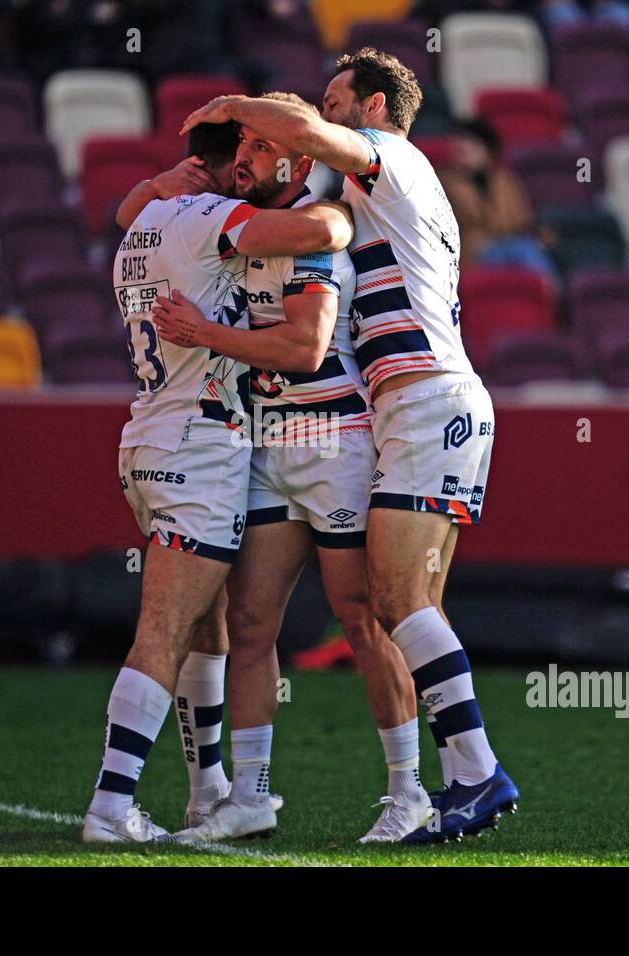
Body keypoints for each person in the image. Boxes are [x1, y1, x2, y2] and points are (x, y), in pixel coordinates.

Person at [181, 48, 520, 843]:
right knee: (399, 602)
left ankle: (467, 774)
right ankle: (452, 779)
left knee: (392, 602)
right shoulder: (364, 198)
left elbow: (301, 132)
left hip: (424, 400)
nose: (321, 119)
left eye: (335, 102)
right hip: (410, 404)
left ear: (371, 110)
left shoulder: (392, 159)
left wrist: (233, 103)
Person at [149, 93, 433, 844]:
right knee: (249, 622)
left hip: (332, 438)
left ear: (296, 160)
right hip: (268, 441)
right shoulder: (241, 221)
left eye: (256, 146)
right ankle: (252, 795)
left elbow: (305, 349)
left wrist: (206, 332)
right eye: (237, 146)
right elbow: (130, 221)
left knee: (360, 619)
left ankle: (409, 792)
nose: (241, 159)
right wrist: (157, 187)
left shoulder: (312, 231)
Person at [83, 121, 354, 844]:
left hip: (147, 435)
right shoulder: (212, 219)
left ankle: (208, 792)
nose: (250, 167)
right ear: (217, 169)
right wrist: (336, 204)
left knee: (209, 626)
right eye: (247, 154)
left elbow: (130, 207)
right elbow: (311, 232)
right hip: (198, 446)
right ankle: (111, 806)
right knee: (166, 631)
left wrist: (151, 185)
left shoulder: (140, 225)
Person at [439, 118, 557, 278]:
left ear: (487, 151)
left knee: (528, 249)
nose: (464, 152)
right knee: (523, 251)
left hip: (510, 244)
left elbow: (521, 219)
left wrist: (537, 234)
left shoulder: (504, 181)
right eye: (460, 148)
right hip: (472, 253)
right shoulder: (445, 182)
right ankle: (552, 294)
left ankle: (546, 294)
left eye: (472, 147)